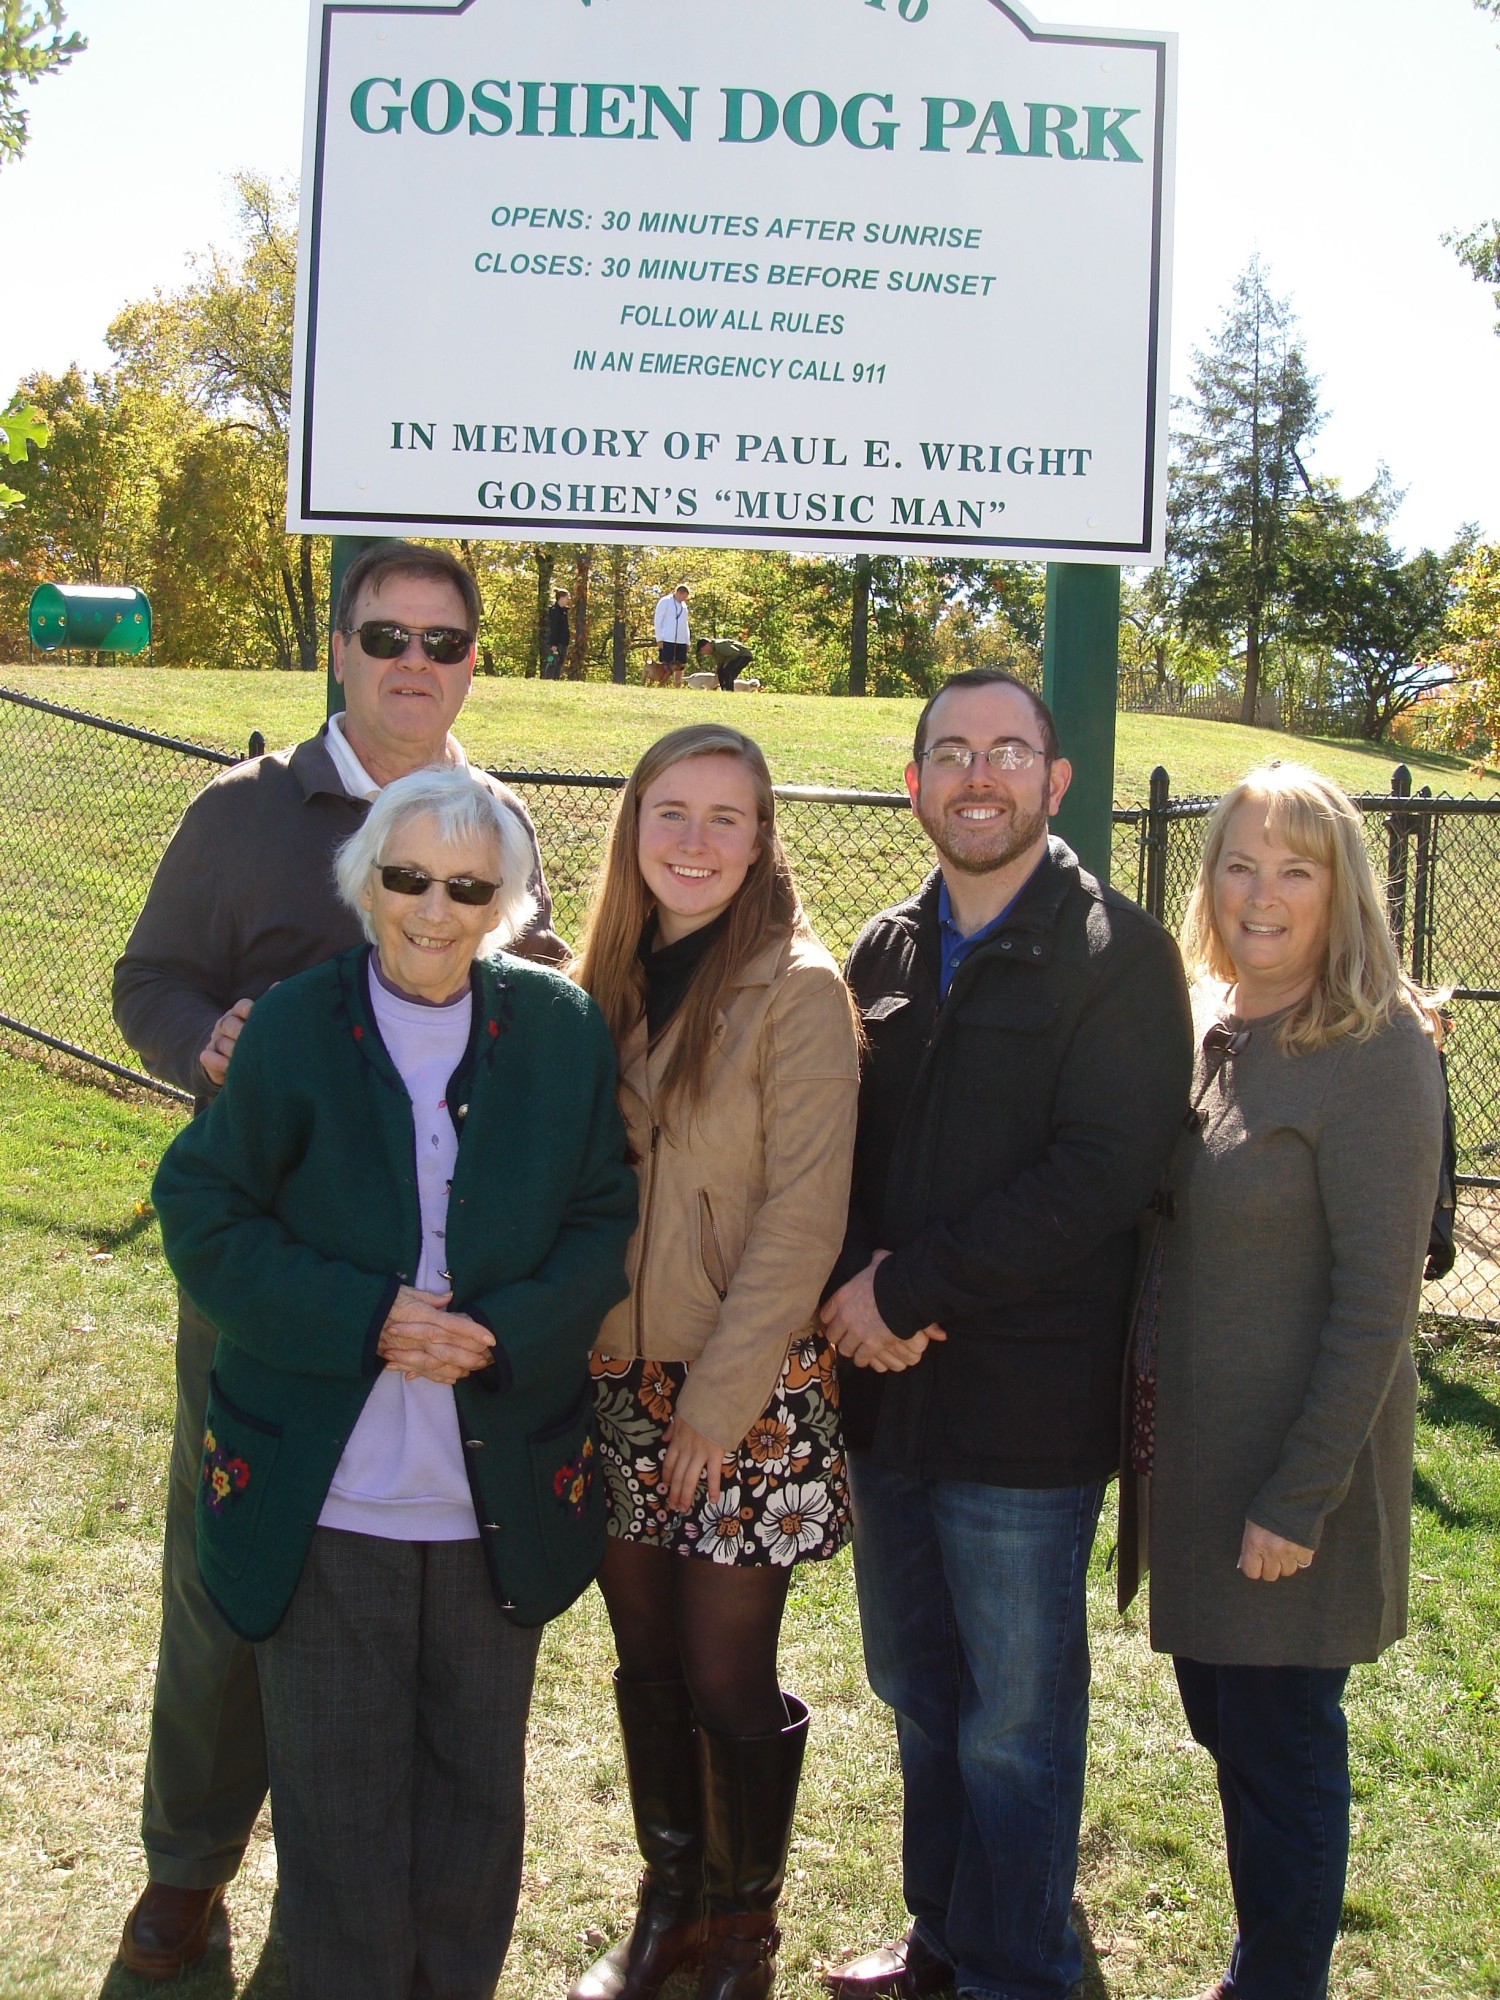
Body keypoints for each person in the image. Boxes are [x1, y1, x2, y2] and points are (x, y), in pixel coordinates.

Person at [111, 538, 566, 1978]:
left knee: (390, 1588)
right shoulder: (241, 815)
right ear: (341, 648)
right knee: (231, 1573)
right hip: (271, 1291)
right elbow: (148, 979)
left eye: (444, 642)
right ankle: (188, 1867)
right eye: (387, 637)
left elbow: (525, 1004)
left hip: (440, 1315)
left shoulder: (491, 820)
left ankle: (376, 1897)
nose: (413, 665)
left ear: (474, 660)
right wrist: (205, 1039)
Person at [150, 766, 635, 1999]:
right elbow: (203, 1208)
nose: (433, 907)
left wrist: (499, 1332)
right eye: (407, 877)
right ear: (367, 882)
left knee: (477, 1795)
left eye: (468, 886)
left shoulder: (560, 1029)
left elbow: (598, 1217)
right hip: (329, 1494)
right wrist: (366, 1314)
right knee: (338, 1803)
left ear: (506, 904)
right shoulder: (298, 1024)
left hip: (494, 1490)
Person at [819, 667, 1193, 2000]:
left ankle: (1020, 1968)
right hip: (886, 1404)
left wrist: (907, 1293)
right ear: (915, 780)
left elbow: (1096, 1177)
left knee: (1015, 1725)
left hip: (1023, 1420)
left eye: (1006, 750)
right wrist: (857, 1290)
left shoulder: (1121, 956)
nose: (978, 774)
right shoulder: (882, 950)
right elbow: (840, 1159)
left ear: (1054, 781)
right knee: (919, 1692)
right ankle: (945, 1938)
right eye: (951, 751)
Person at [1138, 764, 1445, 2000]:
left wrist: (1298, 1496)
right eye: (1238, 864)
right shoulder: (1215, 1022)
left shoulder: (1373, 1050)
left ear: (1343, 889)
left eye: (1296, 868)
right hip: (1202, 1469)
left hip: (1289, 1479)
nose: (1262, 893)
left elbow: (1378, 1307)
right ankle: (1262, 1959)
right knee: (1231, 1728)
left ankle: (1280, 1983)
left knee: (1281, 1747)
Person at [570, 723, 860, 2000]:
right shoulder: (606, 974)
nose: (694, 841)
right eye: (670, 813)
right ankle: (670, 1903)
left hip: (749, 1389)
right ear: (635, 828)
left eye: (724, 817)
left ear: (761, 837)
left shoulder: (797, 988)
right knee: (644, 1658)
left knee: (727, 1666)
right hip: (620, 1374)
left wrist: (719, 1405)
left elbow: (803, 1216)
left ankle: (745, 1929)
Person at [652, 582, 692, 687]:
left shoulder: (684, 606)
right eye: (684, 596)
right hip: (667, 638)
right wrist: (659, 638)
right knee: (665, 663)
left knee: (681, 664)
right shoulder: (665, 601)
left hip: (681, 640)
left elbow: (685, 623)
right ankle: (662, 684)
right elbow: (658, 620)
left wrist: (687, 641)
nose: (684, 599)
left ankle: (677, 685)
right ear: (679, 592)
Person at [545, 587, 572, 680]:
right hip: (556, 642)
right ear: (562, 598)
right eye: (567, 597)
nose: (569, 599)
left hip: (563, 642)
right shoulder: (554, 611)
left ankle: (555, 680)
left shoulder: (563, 612)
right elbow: (553, 629)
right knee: (551, 661)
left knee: (559, 662)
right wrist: (553, 644)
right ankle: (548, 679)